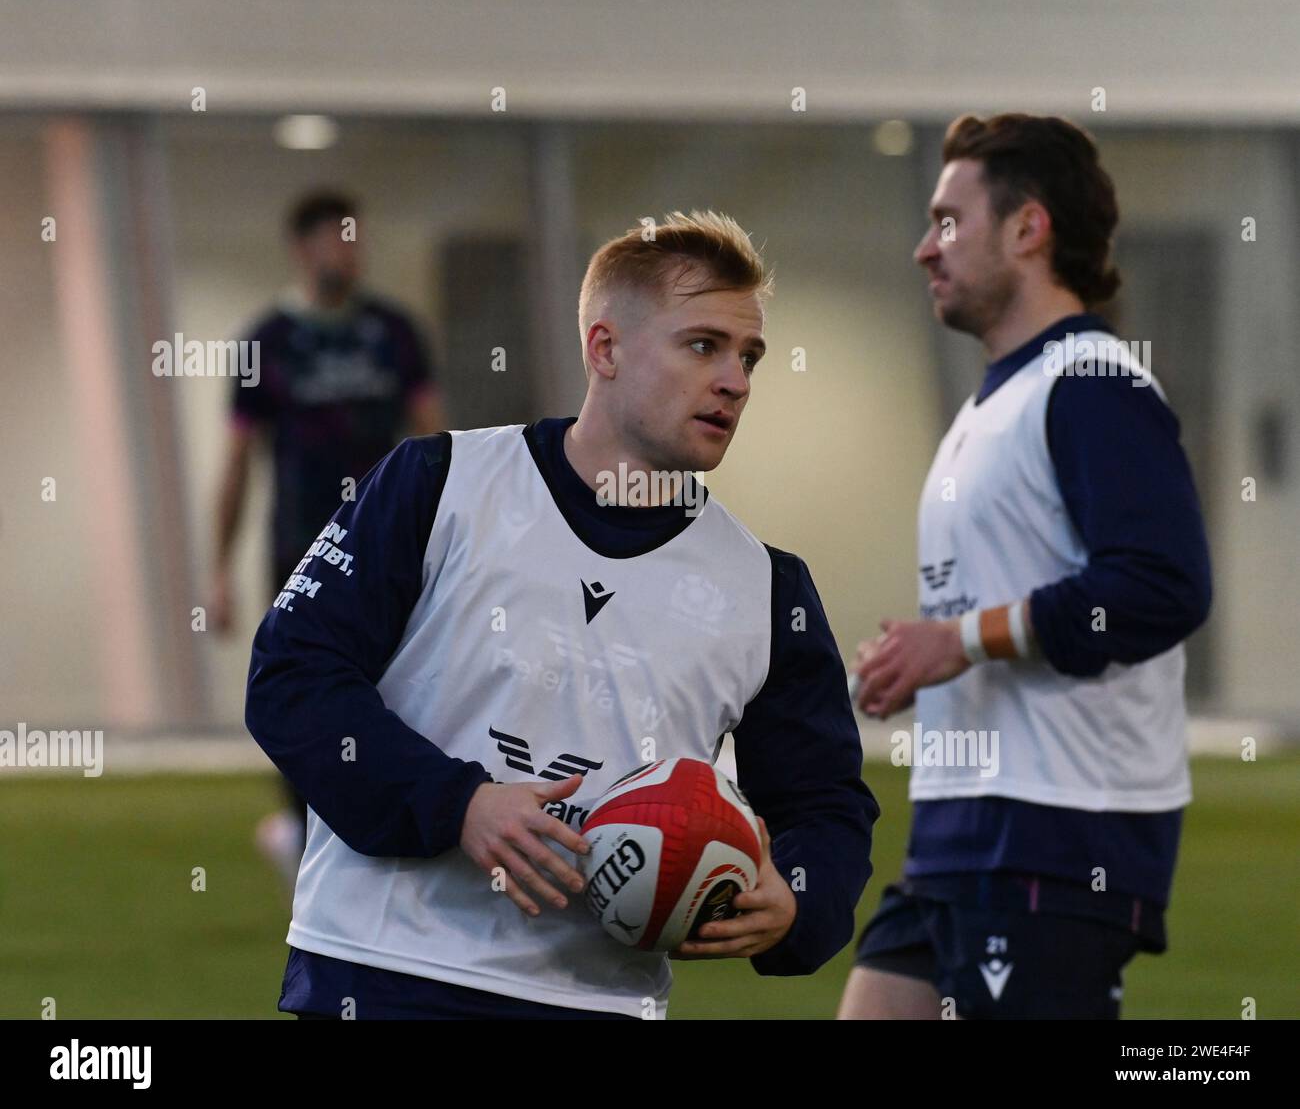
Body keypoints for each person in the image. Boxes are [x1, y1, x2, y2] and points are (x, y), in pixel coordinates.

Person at [243, 209, 879, 1019]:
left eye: (748, 356)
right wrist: (459, 804)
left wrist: (795, 901)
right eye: (702, 345)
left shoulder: (766, 588)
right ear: (604, 348)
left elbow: (825, 803)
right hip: (381, 971)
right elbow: (292, 679)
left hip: (600, 1001)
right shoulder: (437, 484)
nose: (736, 380)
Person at [839, 115, 1212, 1020]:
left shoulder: (1095, 384)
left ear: (1028, 228)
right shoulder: (997, 400)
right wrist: (926, 655)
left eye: (948, 221)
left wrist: (959, 642)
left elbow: (1163, 585)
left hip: (1057, 833)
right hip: (963, 829)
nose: (925, 248)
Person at [210, 189, 444, 885]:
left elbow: (433, 437)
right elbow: (237, 461)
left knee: (396, 688)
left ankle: (379, 834)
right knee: (303, 690)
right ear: (302, 246)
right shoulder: (266, 342)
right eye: (337, 238)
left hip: (391, 547)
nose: (351, 250)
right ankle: (303, 832)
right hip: (302, 550)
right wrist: (217, 571)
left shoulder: (395, 332)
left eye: (356, 237)